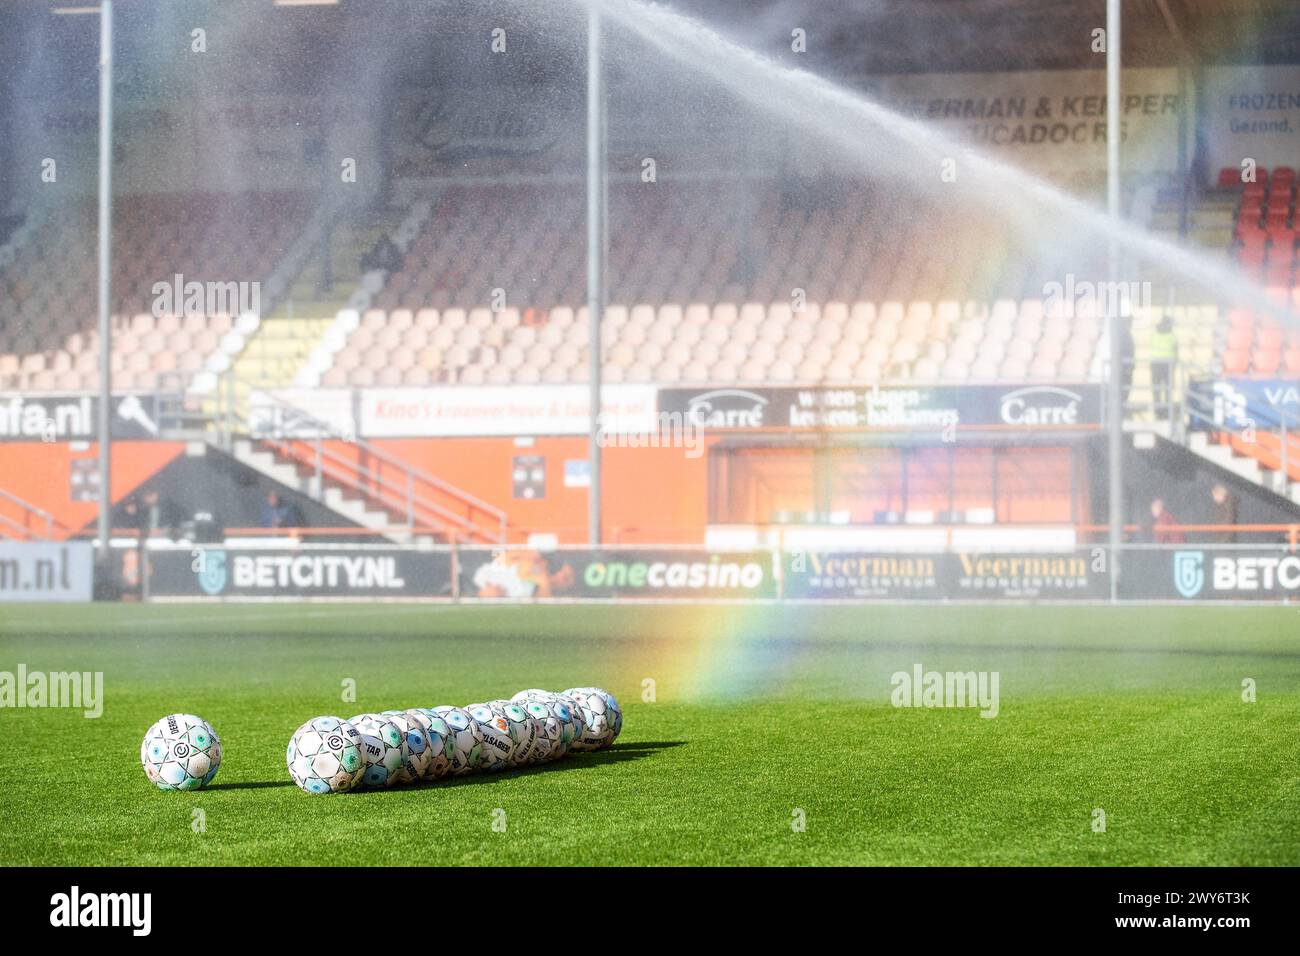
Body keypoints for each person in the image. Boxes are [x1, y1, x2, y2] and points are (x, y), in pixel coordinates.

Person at [1148, 315, 1177, 420]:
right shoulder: (1171, 335)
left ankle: (1158, 411)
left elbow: (1151, 344)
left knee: (1156, 389)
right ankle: (1167, 412)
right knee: (1168, 389)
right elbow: (1175, 349)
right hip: (1168, 364)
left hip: (1155, 363)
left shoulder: (1154, 333)